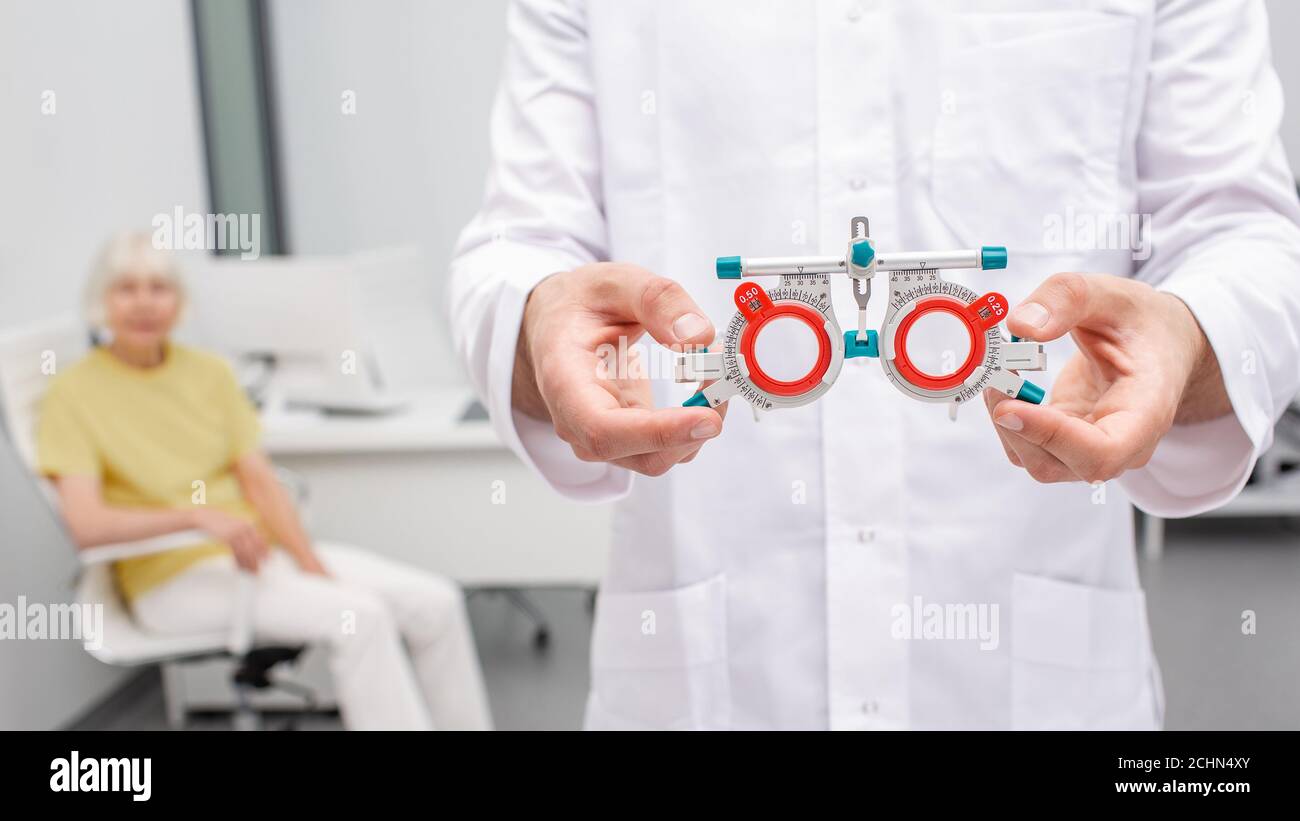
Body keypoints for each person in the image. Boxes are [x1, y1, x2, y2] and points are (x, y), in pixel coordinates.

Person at [449, 0, 1300, 729]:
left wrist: (1188, 338)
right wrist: (537, 326)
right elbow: (518, 244)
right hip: (705, 682)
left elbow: (1245, 237)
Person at [39, 233, 492, 730]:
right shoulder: (73, 394)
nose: (145, 303)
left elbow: (259, 482)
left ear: (179, 300)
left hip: (260, 557)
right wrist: (197, 516)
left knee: (436, 603)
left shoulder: (208, 373)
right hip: (171, 580)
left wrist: (309, 562)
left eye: (158, 287)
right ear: (101, 300)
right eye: (127, 288)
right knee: (361, 619)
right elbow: (87, 525)